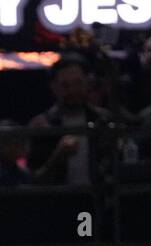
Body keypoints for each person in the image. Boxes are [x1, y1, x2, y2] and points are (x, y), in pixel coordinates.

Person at [27, 55, 112, 185]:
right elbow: (34, 180)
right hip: (59, 202)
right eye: (65, 85)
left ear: (87, 83)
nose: (73, 91)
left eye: (78, 83)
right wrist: (58, 157)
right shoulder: (41, 125)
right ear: (54, 87)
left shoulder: (104, 119)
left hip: (97, 202)